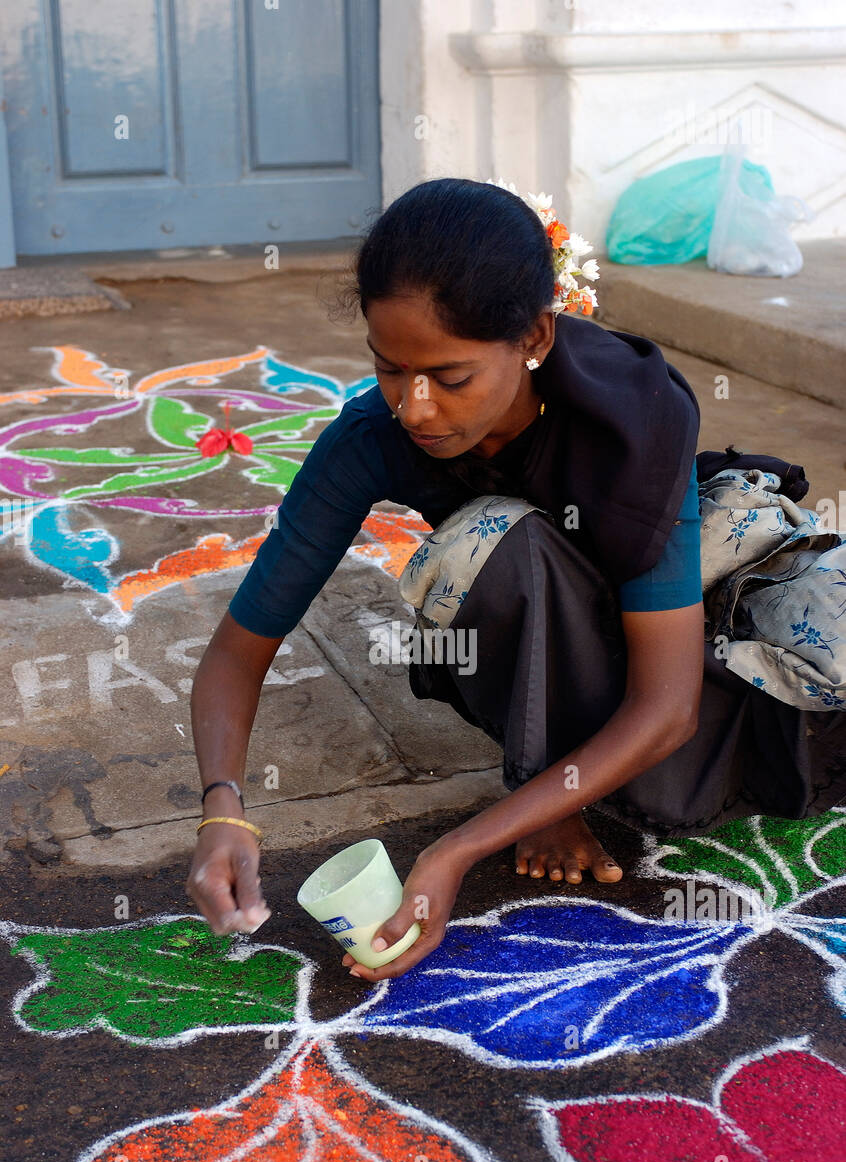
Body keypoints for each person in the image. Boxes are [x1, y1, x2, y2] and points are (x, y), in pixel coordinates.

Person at [185, 177, 846, 983]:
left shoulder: (634, 418)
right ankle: (559, 784)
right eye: (390, 370)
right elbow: (238, 648)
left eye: (451, 377)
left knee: (782, 679)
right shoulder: (369, 436)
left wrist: (462, 846)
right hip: (545, 642)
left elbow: (664, 708)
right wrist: (224, 812)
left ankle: (617, 768)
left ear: (534, 336)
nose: (416, 408)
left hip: (663, 647)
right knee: (499, 544)